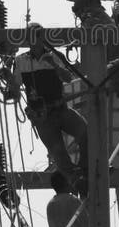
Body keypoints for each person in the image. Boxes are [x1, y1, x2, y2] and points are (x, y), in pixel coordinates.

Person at [13, 43, 88, 180]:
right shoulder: (20, 61)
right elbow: (15, 88)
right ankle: (76, 179)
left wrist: (53, 64)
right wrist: (8, 79)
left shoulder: (55, 56)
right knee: (58, 153)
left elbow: (68, 78)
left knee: (84, 130)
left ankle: (86, 168)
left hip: (60, 109)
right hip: (42, 116)